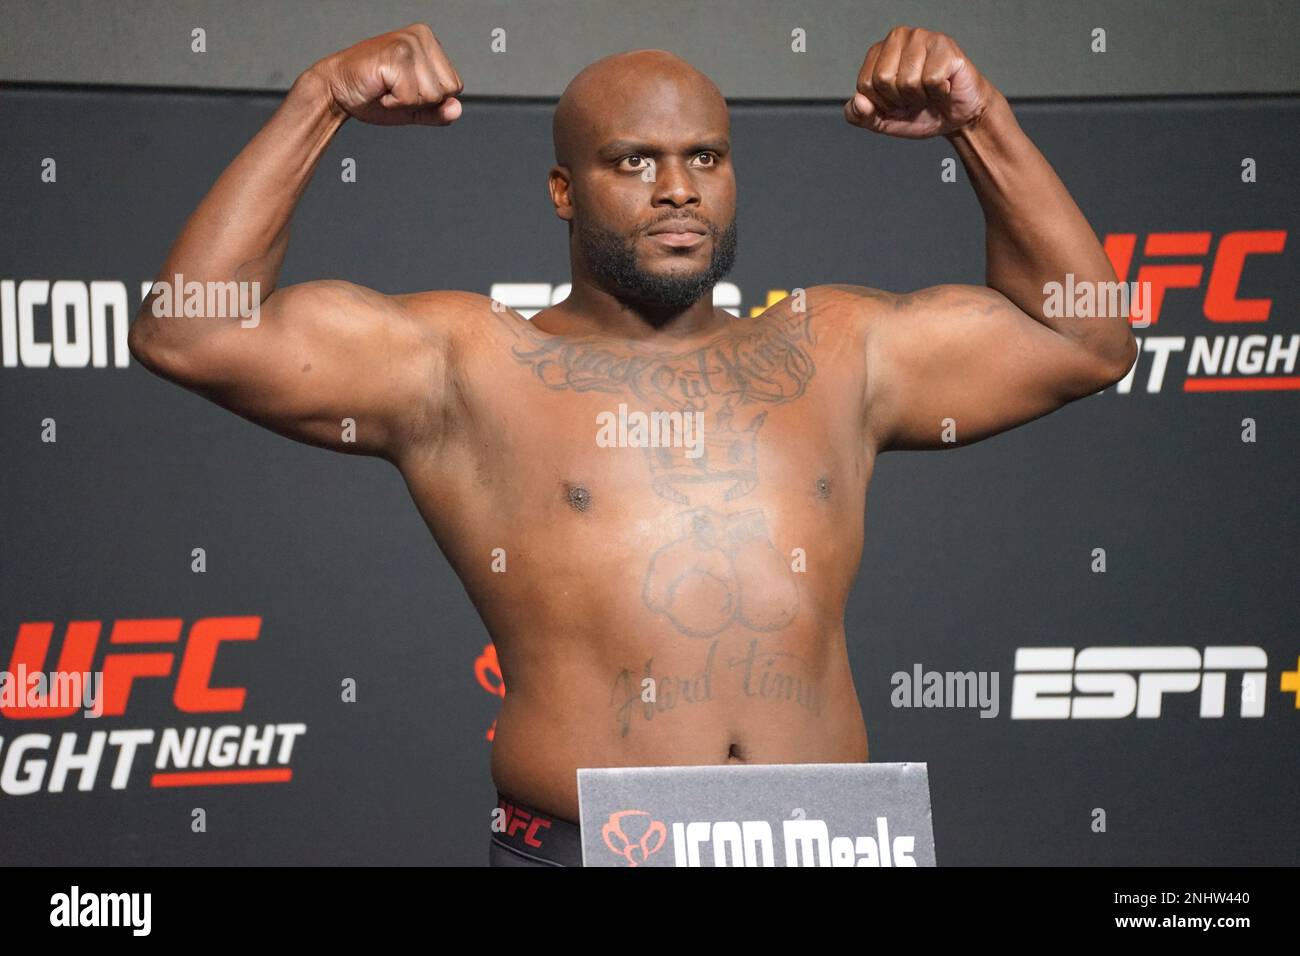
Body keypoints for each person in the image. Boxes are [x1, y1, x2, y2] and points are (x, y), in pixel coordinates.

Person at [128, 23, 1138, 866]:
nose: (677, 189)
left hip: (828, 839)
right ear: (564, 191)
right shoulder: (469, 364)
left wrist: (980, 122)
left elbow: (1084, 337)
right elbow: (192, 329)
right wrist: (322, 97)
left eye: (703, 157)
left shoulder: (832, 350)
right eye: (632, 161)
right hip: (594, 843)